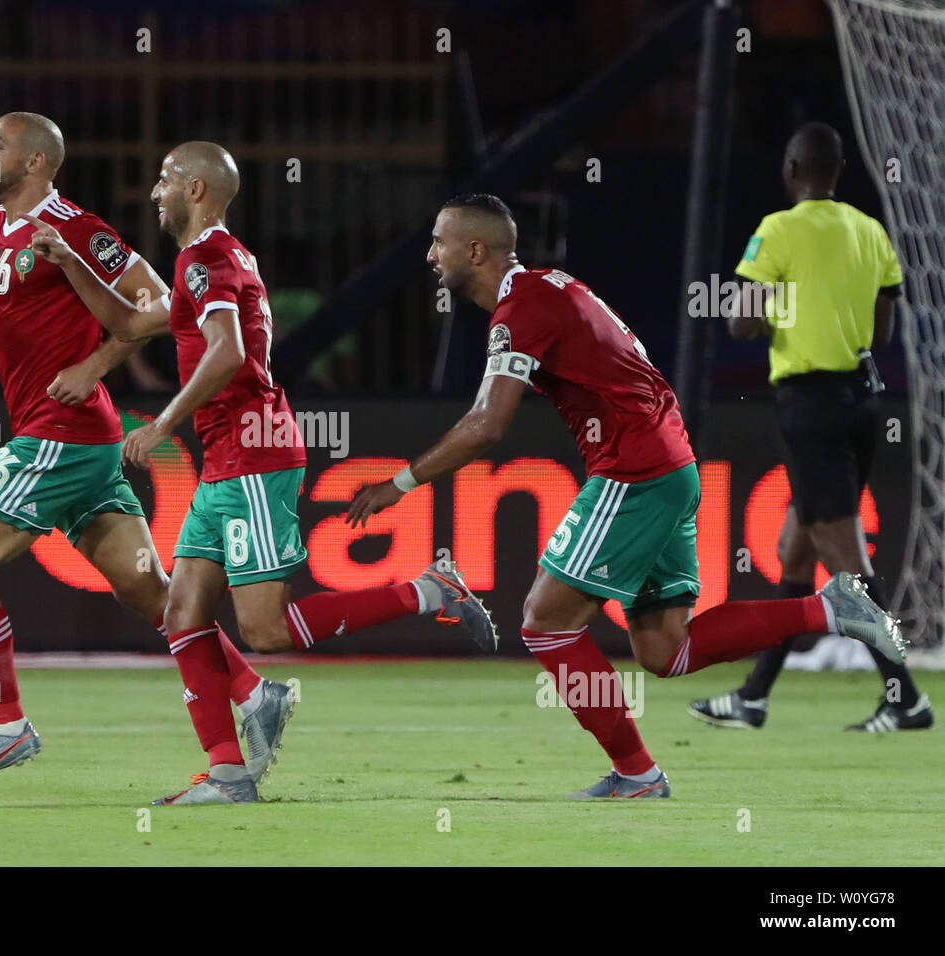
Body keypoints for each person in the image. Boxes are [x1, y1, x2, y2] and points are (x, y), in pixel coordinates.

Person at [345, 193, 906, 799]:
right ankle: (830, 609)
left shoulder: (522, 306)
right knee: (666, 649)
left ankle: (638, 775)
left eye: (438, 241)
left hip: (634, 471)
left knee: (543, 622)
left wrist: (398, 483)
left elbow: (487, 424)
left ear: (474, 250)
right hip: (666, 463)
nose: (430, 254)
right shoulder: (545, 289)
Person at [25, 141, 496, 805]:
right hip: (226, 462)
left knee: (266, 631)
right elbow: (128, 321)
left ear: (196, 190)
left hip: (254, 459)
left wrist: (162, 424)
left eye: (163, 181)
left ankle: (428, 591)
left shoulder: (209, 258)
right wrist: (72, 262)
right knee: (182, 610)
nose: (153, 193)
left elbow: (227, 353)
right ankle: (226, 774)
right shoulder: (204, 264)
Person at [0, 113, 291, 788]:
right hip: (77, 441)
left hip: (57, 434)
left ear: (36, 161)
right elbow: (5, 308)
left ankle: (7, 729)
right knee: (151, 594)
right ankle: (253, 692)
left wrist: (96, 365)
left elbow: (159, 300)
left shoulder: (77, 229)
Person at [690, 122, 932, 733]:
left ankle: (906, 696)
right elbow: (880, 331)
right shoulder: (870, 230)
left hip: (809, 406)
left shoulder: (777, 230)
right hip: (861, 401)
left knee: (848, 568)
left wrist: (783, 308)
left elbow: (741, 324)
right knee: (795, 553)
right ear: (837, 170)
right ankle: (754, 697)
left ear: (792, 170)